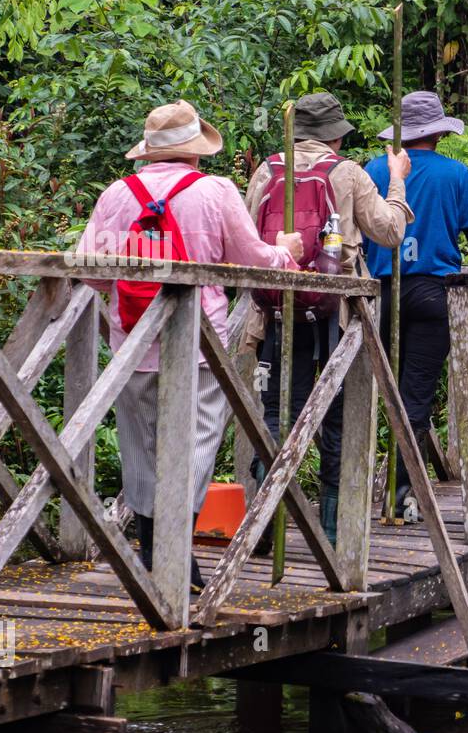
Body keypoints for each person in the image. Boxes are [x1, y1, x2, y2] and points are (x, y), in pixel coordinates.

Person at [76, 100, 304, 591]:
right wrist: (287, 252)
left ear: (147, 152)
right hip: (201, 348)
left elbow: (88, 271)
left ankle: (157, 550)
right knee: (197, 443)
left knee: (141, 447)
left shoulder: (116, 194)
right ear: (196, 153)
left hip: (132, 342)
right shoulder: (214, 191)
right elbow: (255, 261)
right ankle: (171, 552)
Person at [244, 92, 412, 546]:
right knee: (336, 416)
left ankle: (259, 529)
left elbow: (245, 237)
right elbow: (390, 231)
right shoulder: (347, 172)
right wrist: (397, 182)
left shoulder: (267, 170)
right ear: (336, 135)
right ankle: (336, 532)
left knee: (279, 412)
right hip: (337, 314)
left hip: (277, 309)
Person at [361, 90, 468, 518]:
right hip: (432, 292)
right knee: (415, 394)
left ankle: (367, 486)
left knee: (377, 393)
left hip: (381, 292)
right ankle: (402, 491)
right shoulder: (455, 174)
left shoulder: (373, 170)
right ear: (439, 134)